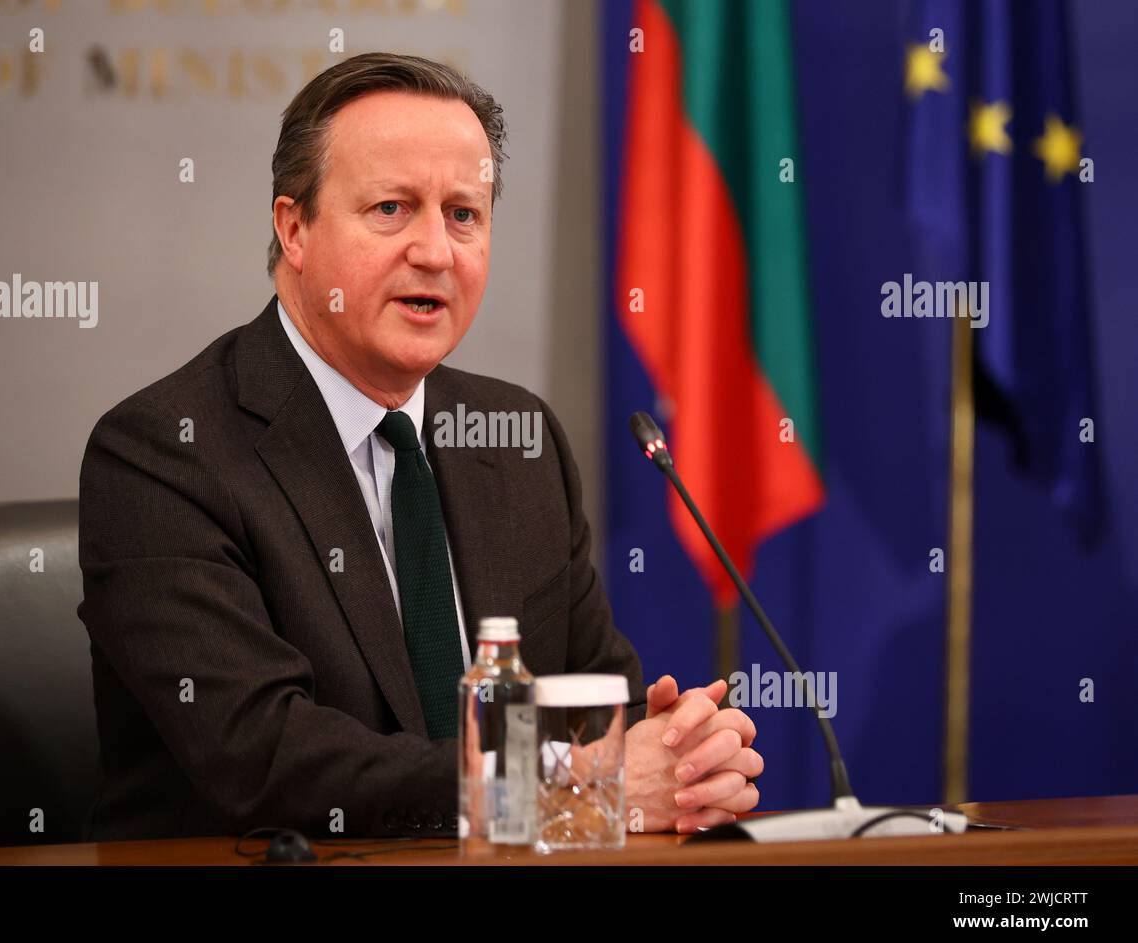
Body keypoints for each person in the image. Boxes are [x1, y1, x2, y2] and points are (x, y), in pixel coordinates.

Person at [77, 51, 762, 841]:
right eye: (393, 209)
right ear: (294, 229)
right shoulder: (165, 454)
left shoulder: (518, 440)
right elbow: (263, 758)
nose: (436, 251)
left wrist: (678, 753)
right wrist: (570, 779)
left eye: (463, 214)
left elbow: (599, 701)